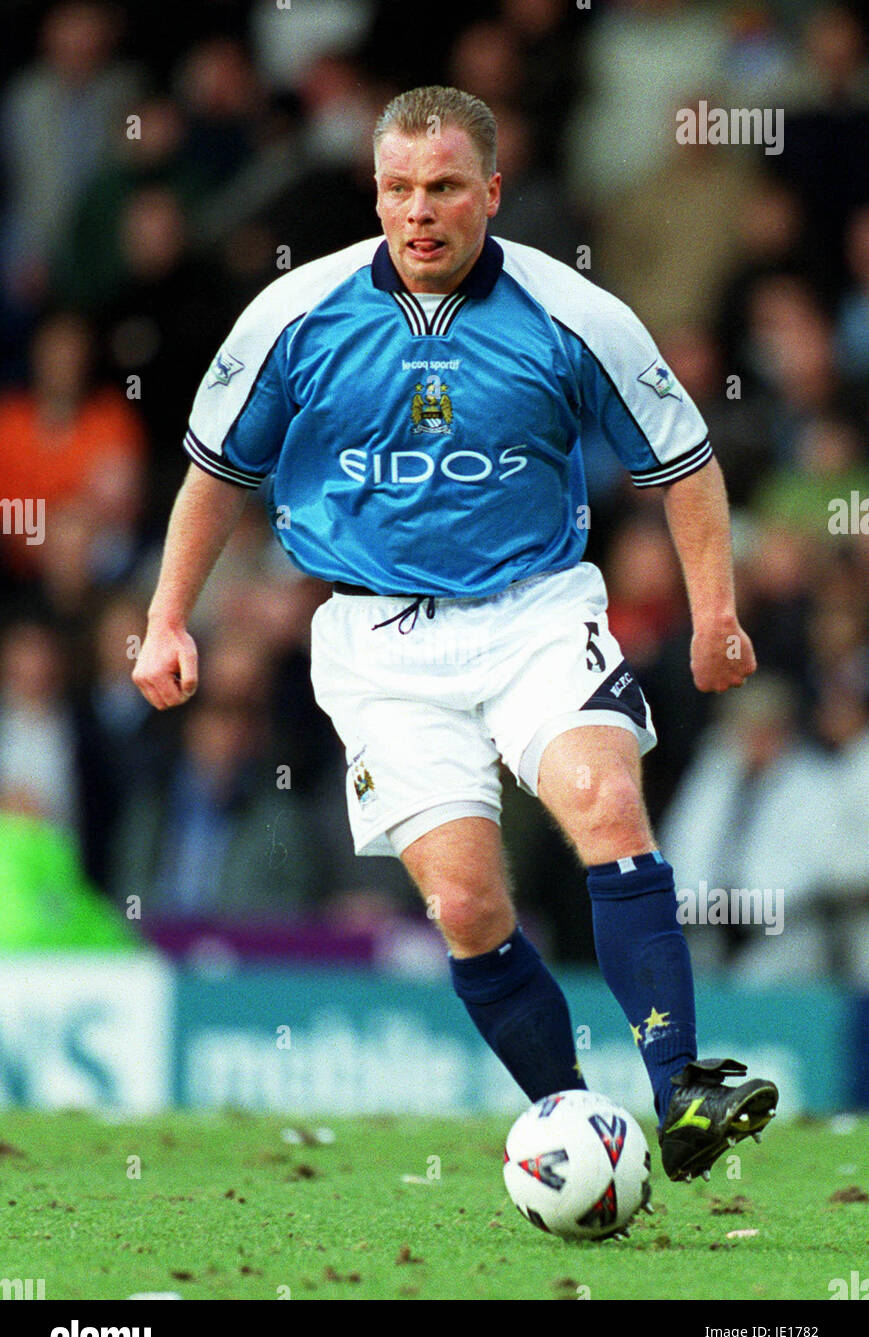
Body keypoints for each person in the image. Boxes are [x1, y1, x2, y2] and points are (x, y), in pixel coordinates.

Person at [132, 86, 777, 1186]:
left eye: (440, 188)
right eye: (395, 188)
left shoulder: (572, 312)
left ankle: (678, 1086)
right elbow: (213, 473)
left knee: (606, 805)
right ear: (372, 189)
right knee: (469, 903)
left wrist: (713, 613)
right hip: (377, 642)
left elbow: (683, 463)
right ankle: (578, 1135)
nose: (417, 211)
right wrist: (163, 621)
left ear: (489, 188)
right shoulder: (296, 314)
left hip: (533, 612)